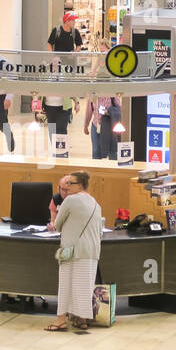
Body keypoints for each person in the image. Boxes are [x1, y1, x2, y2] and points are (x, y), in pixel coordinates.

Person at [45, 171, 103, 333]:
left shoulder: (70, 200)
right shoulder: (95, 203)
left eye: (71, 183)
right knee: (84, 286)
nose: (67, 187)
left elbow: (57, 224)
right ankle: (81, 319)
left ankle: (61, 320)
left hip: (72, 250)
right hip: (92, 250)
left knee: (66, 284)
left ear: (80, 185)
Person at [84, 95, 122, 159]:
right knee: (96, 151)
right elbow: (88, 111)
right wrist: (86, 125)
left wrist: (109, 112)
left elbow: (119, 110)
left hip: (109, 127)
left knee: (112, 152)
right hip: (96, 126)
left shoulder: (112, 95)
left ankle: (113, 168)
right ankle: (96, 168)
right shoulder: (92, 95)